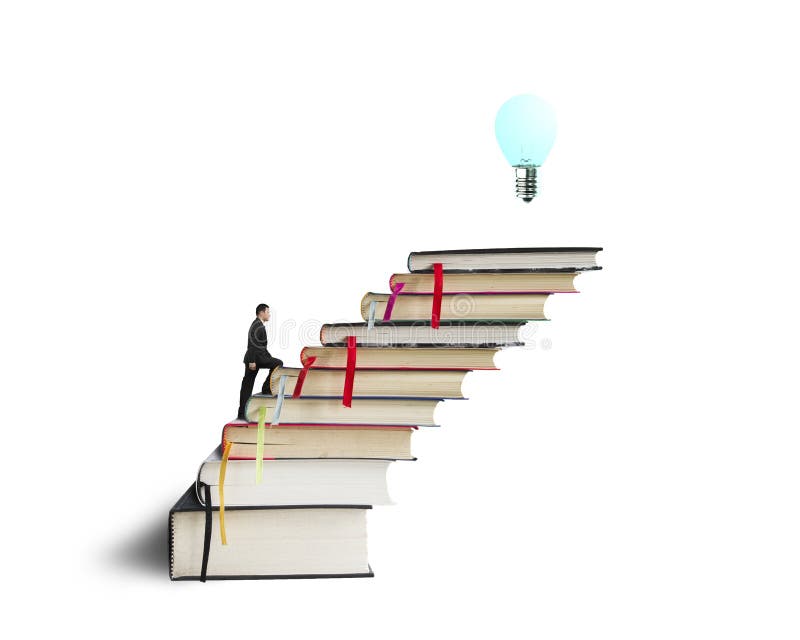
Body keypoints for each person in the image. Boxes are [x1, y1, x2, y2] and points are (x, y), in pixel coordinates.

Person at [237, 303, 284, 420]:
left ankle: (242, 413)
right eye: (268, 312)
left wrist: (269, 357)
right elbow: (252, 344)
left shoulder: (258, 325)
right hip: (254, 358)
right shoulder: (257, 326)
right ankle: (266, 388)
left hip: (257, 357)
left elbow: (262, 347)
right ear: (261, 313)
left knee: (247, 385)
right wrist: (252, 361)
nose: (269, 315)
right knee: (278, 363)